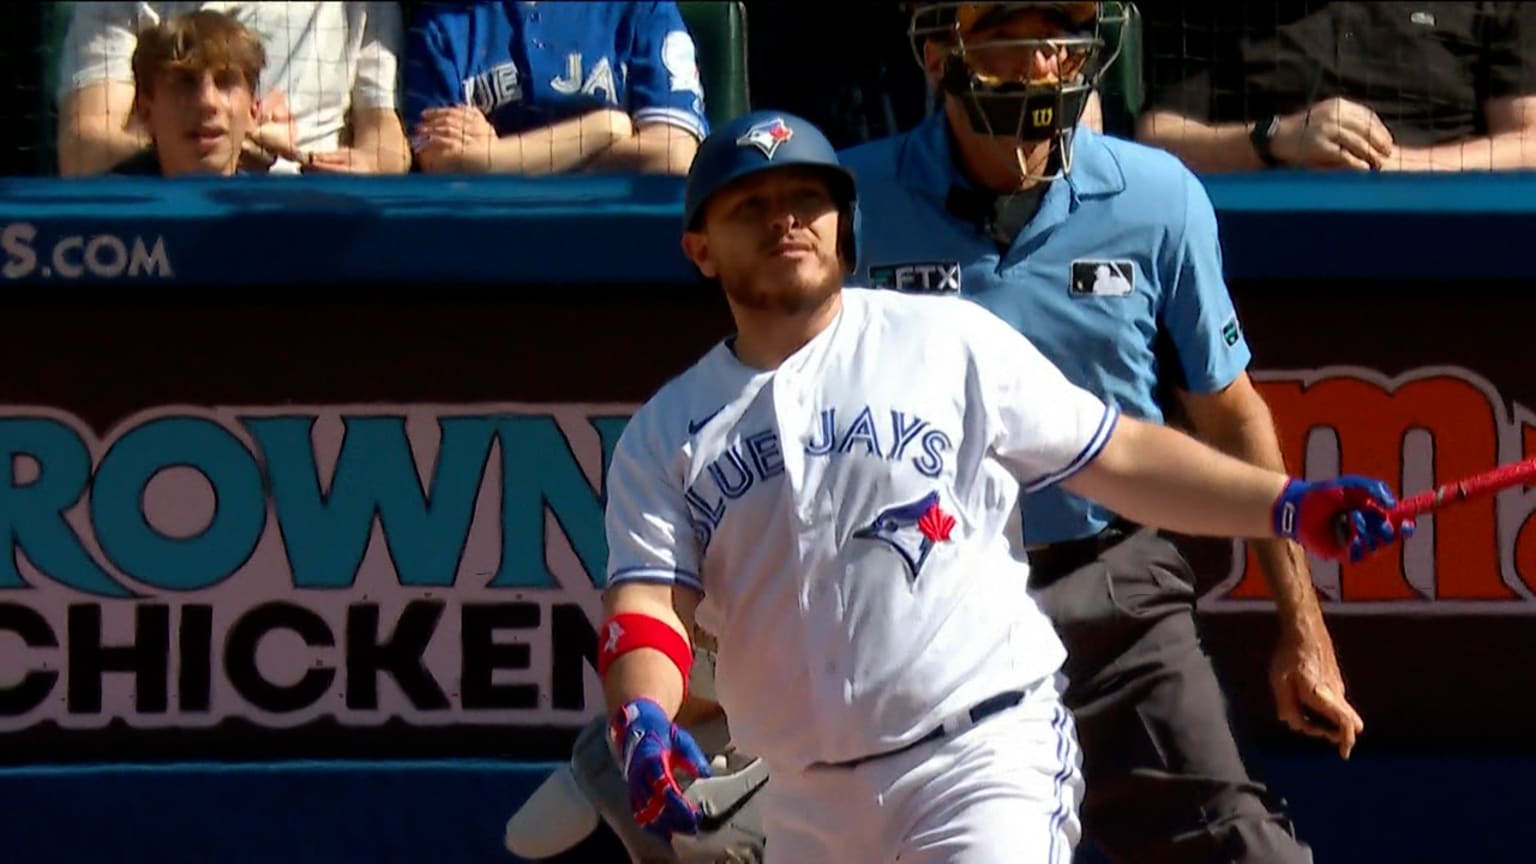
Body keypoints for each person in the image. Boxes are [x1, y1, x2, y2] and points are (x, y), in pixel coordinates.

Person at [597, 108, 1409, 864]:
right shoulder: (666, 433)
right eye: (750, 206)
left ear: (844, 227)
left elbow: (1120, 457)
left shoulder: (945, 340)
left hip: (978, 759)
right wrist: (642, 716)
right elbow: (651, 610)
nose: (785, 220)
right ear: (699, 247)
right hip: (805, 797)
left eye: (807, 199)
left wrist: (1286, 504)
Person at [836, 3, 1369, 861]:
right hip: (921, 603)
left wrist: (1305, 633)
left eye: (1064, 29)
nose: (1044, 55)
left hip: (1114, 588)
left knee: (1248, 850)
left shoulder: (1158, 196)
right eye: (1012, 27)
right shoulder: (845, 205)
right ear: (940, 52)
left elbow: (1231, 414)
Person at [1135, 1, 1536, 173]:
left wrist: (1406, 167)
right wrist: (1272, 139)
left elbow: (1527, 142)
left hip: (1450, 233)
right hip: (1257, 234)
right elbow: (1157, 139)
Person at [57, 2, 409, 176]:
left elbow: (388, 142)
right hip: (166, 210)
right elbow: (82, 151)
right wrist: (218, 139)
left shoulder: (362, 6)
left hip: (315, 211)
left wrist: (362, 166)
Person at [404, 0, 707, 176]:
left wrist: (494, 158)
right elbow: (440, 163)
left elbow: (673, 153)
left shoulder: (643, 8)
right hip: (493, 240)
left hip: (616, 238)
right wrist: (600, 131)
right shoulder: (441, 22)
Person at [105, 9, 262, 177]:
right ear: (145, 113)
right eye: (186, 82)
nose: (207, 102)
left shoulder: (275, 201)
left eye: (225, 82)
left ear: (253, 111)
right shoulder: (103, 201)